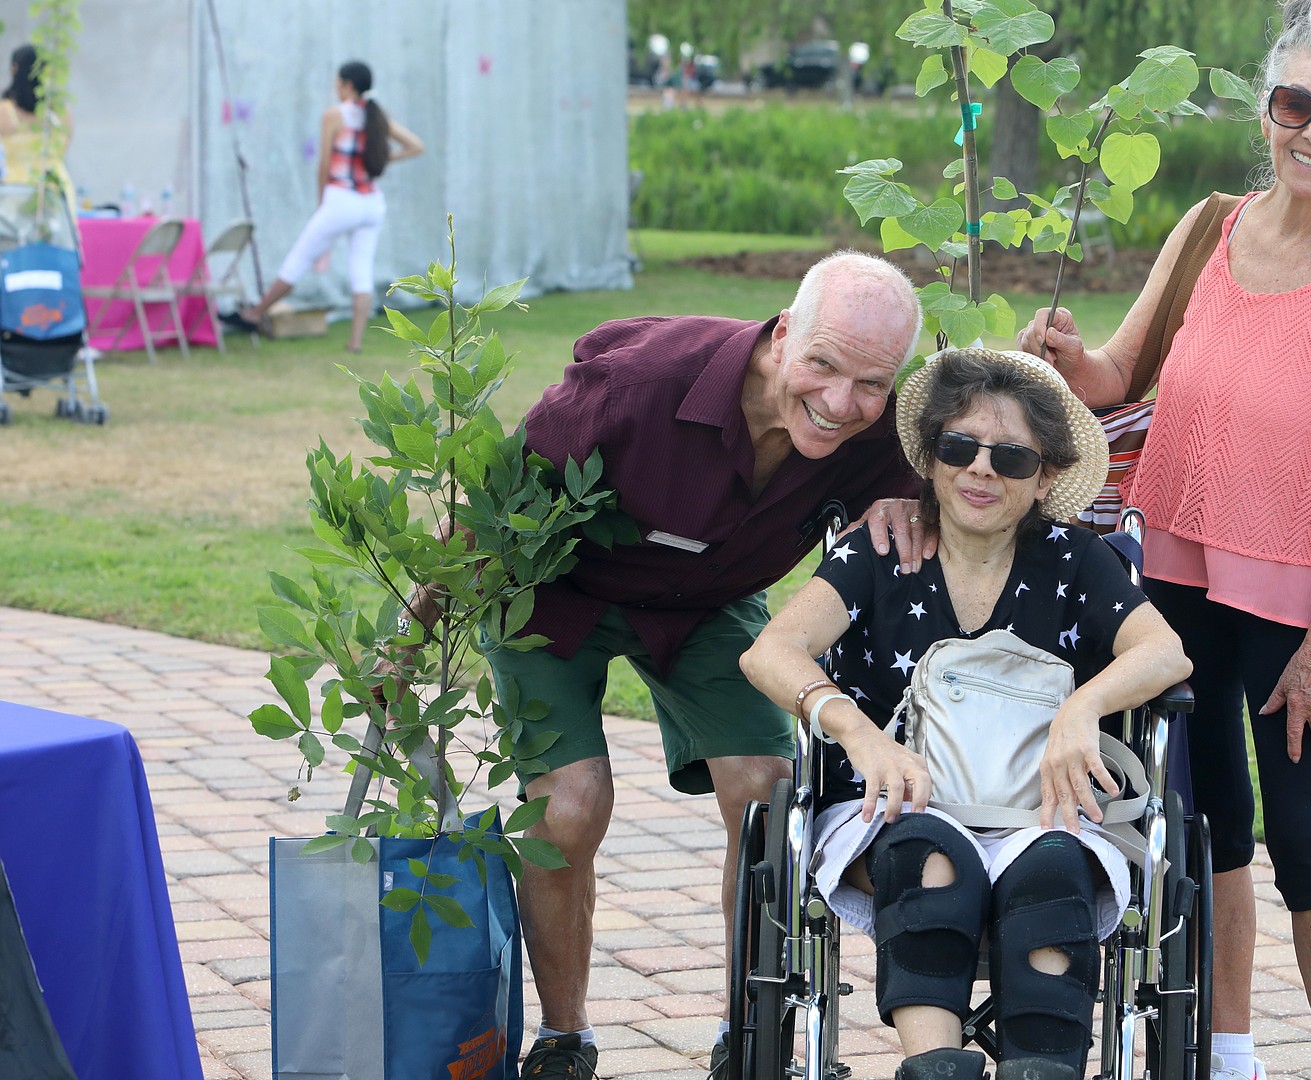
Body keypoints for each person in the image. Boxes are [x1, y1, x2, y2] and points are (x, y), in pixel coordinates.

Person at [393, 251, 931, 1080]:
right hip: (556, 587)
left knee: (766, 789)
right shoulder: (640, 386)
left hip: (708, 603)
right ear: (784, 333)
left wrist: (910, 492)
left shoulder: (879, 428)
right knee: (569, 806)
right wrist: (411, 632)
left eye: (871, 384)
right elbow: (492, 504)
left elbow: (977, 465)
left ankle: (746, 1035)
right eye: (821, 365)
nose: (838, 404)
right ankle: (564, 1038)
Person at [1017, 2, 1311, 1078]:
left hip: (1301, 610)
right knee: (1208, 838)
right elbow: (1117, 375)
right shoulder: (1208, 226)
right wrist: (1063, 357)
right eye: (1297, 105)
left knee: (1307, 847)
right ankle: (1232, 1056)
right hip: (1177, 583)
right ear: (1266, 111)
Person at [741, 347, 1192, 1080]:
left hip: (1038, 814)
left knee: (1053, 867)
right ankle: (935, 1067)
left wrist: (1084, 707)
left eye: (1012, 458)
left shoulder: (1074, 560)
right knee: (928, 853)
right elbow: (770, 652)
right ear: (929, 456)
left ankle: (1042, 1069)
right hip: (893, 809)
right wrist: (854, 731)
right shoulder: (880, 552)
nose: (981, 470)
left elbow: (1165, 653)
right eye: (960, 447)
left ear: (1045, 475)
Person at [224, 60, 423, 353]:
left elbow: (324, 166)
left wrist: (322, 202)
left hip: (341, 199)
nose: (336, 88)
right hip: (371, 203)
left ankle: (253, 314)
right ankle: (355, 342)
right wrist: (378, 160)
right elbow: (416, 146)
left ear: (347, 85)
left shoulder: (334, 116)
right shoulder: (377, 116)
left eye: (338, 83)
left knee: (299, 260)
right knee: (362, 271)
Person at [0, 44, 72, 192]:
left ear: (14, 68)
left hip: (17, 189)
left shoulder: (4, 111)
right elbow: (65, 147)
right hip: (55, 188)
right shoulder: (62, 110)